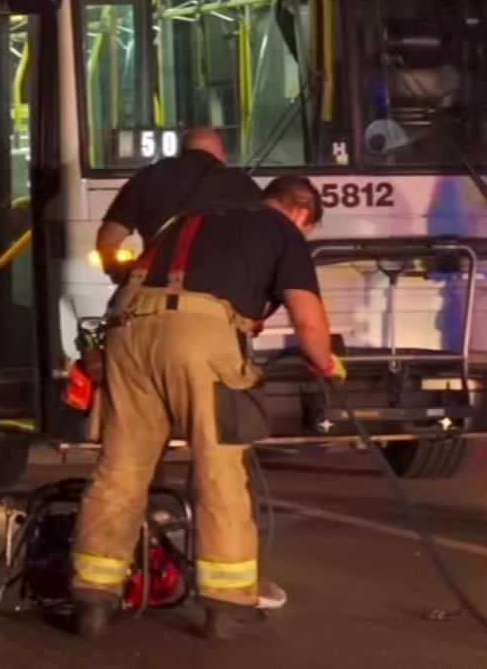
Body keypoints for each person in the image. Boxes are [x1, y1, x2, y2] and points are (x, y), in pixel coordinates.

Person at [70, 175, 346, 640]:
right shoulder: (283, 231)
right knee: (218, 468)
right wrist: (327, 366)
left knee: (121, 468)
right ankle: (227, 604)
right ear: (302, 211)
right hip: (198, 337)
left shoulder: (191, 218)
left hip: (127, 332)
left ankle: (94, 599)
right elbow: (307, 316)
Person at [94, 127, 262, 265]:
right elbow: (267, 242)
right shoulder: (243, 185)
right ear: (223, 155)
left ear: (180, 151)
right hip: (226, 295)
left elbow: (108, 239)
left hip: (158, 288)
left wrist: (121, 274)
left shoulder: (148, 177)